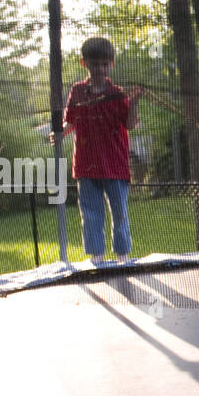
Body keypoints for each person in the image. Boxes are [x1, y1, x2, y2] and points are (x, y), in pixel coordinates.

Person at [50, 36, 142, 264]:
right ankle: (97, 257)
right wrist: (61, 133)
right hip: (86, 163)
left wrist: (135, 102)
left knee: (119, 212)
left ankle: (123, 255)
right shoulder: (78, 91)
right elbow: (71, 121)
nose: (99, 68)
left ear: (111, 64)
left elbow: (129, 124)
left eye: (104, 64)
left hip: (115, 164)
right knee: (90, 212)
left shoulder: (118, 94)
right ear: (85, 64)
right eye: (94, 64)